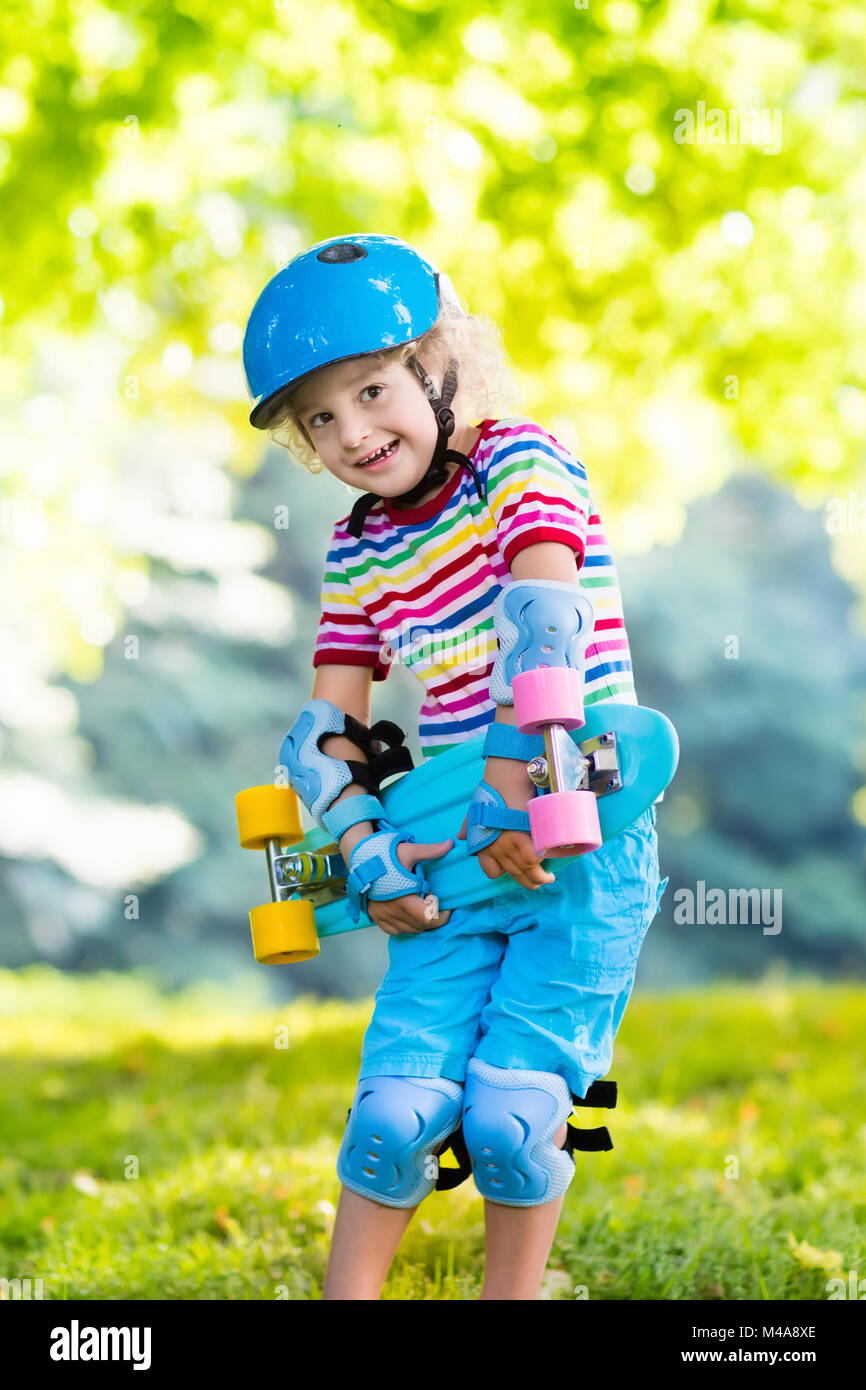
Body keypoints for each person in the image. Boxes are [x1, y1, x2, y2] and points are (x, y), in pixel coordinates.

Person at [242, 233, 668, 1300]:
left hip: (573, 836)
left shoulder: (518, 458)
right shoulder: (357, 546)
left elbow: (543, 626)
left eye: (372, 389)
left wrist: (515, 786)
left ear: (443, 365)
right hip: (450, 854)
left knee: (512, 1120)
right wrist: (362, 846)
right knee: (391, 1117)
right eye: (319, 419)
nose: (351, 431)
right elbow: (328, 725)